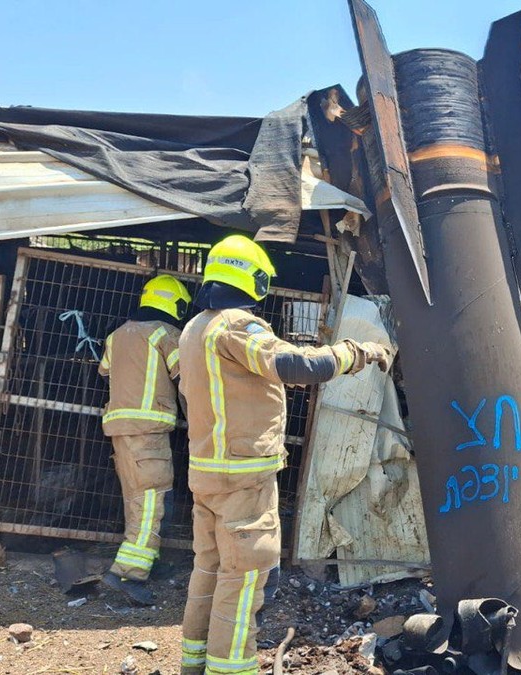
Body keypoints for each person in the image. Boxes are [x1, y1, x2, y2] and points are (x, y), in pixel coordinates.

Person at [177, 235, 392, 675]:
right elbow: (298, 366)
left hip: (208, 471)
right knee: (244, 576)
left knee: (210, 569)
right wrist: (358, 351)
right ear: (253, 279)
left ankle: (193, 664)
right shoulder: (237, 326)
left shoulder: (195, 328)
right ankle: (230, 670)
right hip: (243, 476)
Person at [98, 274, 192, 606]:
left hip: (120, 432)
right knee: (152, 503)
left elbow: (105, 372)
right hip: (148, 433)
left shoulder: (117, 335)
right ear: (176, 304)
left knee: (136, 501)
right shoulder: (166, 335)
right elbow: (186, 381)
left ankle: (147, 561)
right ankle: (127, 574)